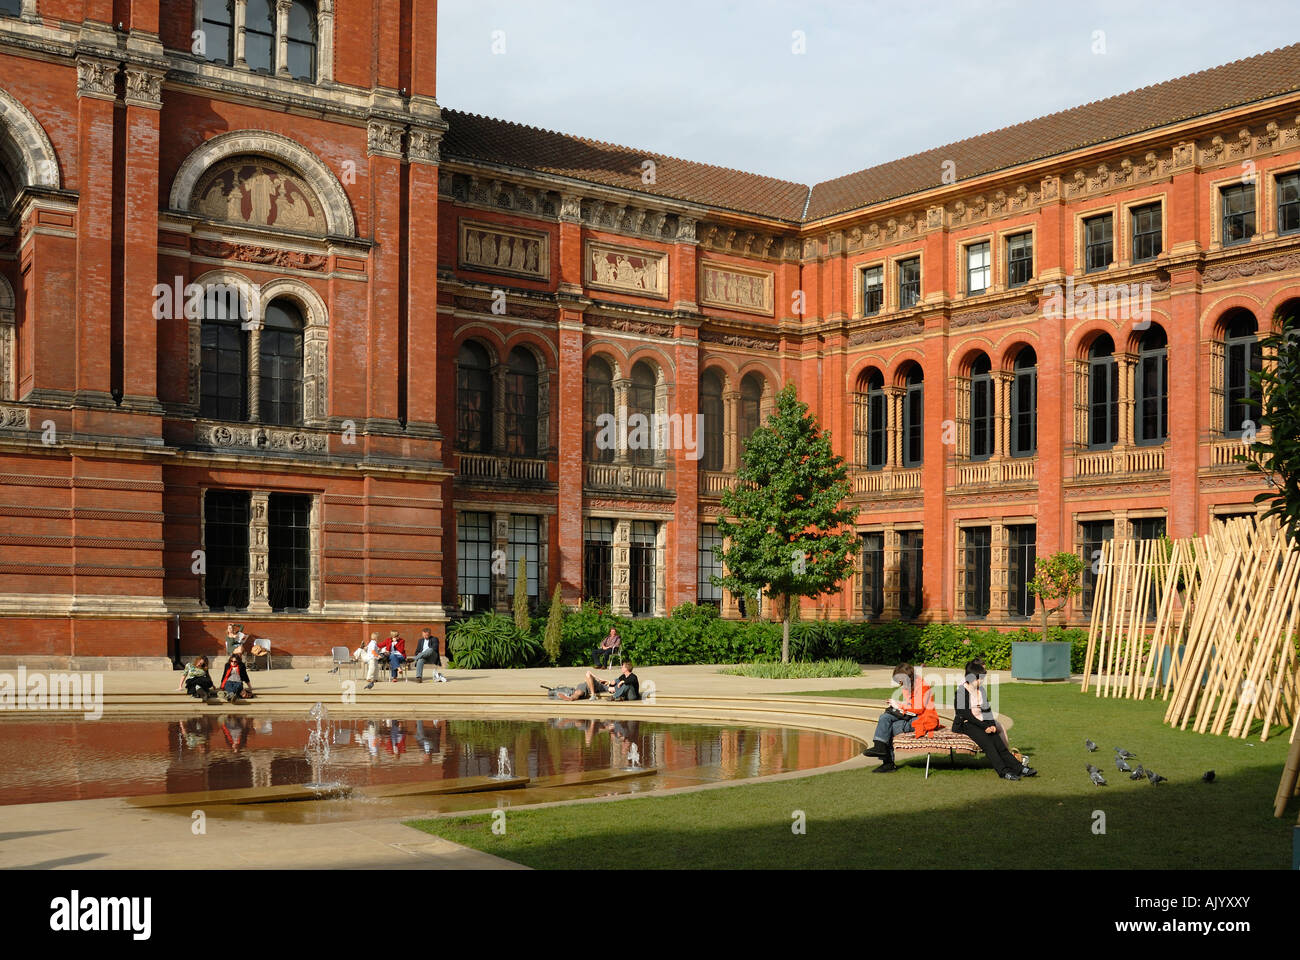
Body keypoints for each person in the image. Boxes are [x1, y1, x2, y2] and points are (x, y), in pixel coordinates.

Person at [953, 659, 1036, 780]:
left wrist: (991, 724)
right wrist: (984, 726)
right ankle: (1004, 771)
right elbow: (966, 715)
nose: (982, 681)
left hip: (981, 722)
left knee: (997, 741)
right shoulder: (961, 691)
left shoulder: (980, 690)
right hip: (967, 724)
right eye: (979, 678)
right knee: (988, 745)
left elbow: (987, 709)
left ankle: (1019, 768)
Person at [861, 663, 939, 773]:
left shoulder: (922, 686)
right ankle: (880, 749)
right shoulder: (908, 685)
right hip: (911, 716)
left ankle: (887, 761)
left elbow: (918, 709)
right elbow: (910, 704)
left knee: (889, 727)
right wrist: (898, 704)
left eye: (900, 680)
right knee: (885, 718)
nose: (899, 683)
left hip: (924, 719)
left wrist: (899, 706)